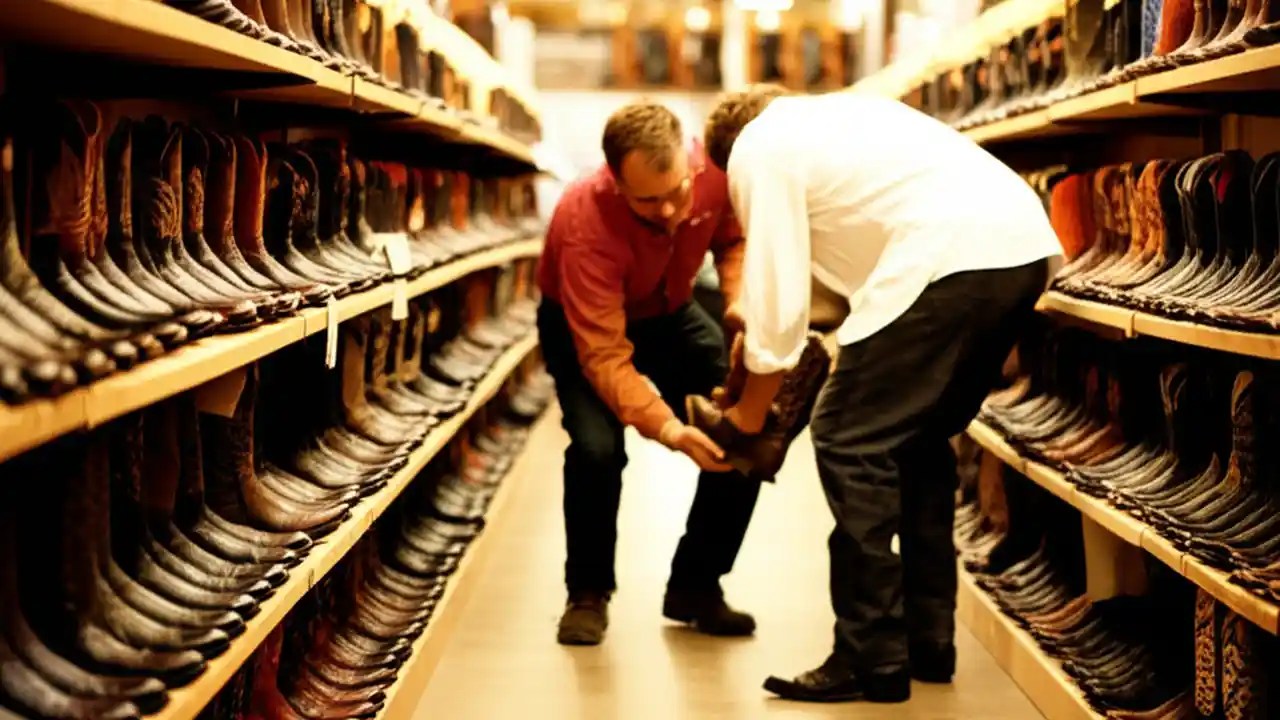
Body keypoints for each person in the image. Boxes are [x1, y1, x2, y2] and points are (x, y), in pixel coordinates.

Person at [697, 86, 1064, 702]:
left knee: (846, 437)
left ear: (728, 154)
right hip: (1022, 250)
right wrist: (763, 344)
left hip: (945, 262)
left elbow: (779, 301)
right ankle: (927, 642)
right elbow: (827, 289)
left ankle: (870, 657)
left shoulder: (758, 148)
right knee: (915, 440)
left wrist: (747, 418)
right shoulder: (846, 118)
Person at [536, 101, 761, 646]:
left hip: (672, 308)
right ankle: (587, 592)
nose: (668, 211)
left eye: (676, 192)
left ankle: (696, 585)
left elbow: (733, 238)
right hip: (583, 324)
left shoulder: (712, 176)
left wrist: (738, 298)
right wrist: (669, 429)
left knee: (749, 426)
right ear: (614, 178)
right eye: (648, 200)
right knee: (596, 449)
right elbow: (607, 355)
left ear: (688, 163)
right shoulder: (583, 222)